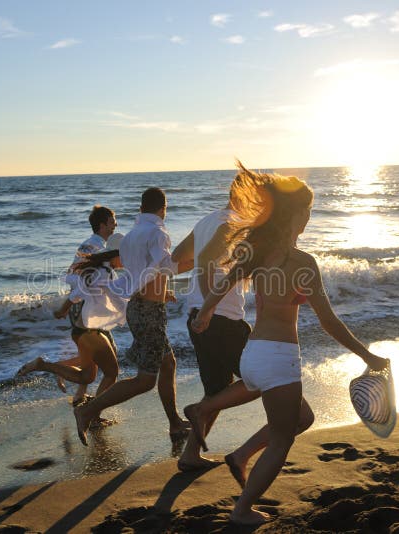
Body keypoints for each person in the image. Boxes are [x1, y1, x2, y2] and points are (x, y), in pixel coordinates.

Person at [190, 162, 388, 526]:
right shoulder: (302, 262)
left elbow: (223, 282)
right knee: (282, 438)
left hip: (253, 354)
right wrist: (367, 354)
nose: (309, 217)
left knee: (287, 406)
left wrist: (205, 312)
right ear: (297, 215)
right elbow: (329, 322)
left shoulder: (259, 253)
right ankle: (243, 509)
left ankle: (216, 421)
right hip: (279, 356)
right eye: (308, 211)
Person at [73, 187, 192, 446]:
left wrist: (163, 291)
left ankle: (174, 424)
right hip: (149, 313)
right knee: (145, 380)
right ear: (164, 209)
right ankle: (87, 410)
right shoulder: (158, 232)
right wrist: (201, 258)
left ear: (141, 209)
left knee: (167, 364)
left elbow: (141, 273)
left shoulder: (130, 236)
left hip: (140, 308)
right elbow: (169, 267)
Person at [170, 189, 255, 472]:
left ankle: (190, 455)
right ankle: (198, 412)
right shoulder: (233, 224)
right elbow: (205, 262)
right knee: (262, 376)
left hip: (198, 316)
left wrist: (203, 301)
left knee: (217, 391)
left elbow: (177, 258)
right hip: (218, 318)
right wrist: (209, 306)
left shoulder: (207, 221)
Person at [17, 206, 119, 405]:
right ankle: (90, 405)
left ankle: (78, 393)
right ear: (102, 224)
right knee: (107, 362)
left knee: (95, 361)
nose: (116, 225)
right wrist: (66, 307)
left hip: (86, 306)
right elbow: (82, 283)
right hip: (86, 309)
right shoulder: (94, 248)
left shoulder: (92, 246)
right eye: (113, 221)